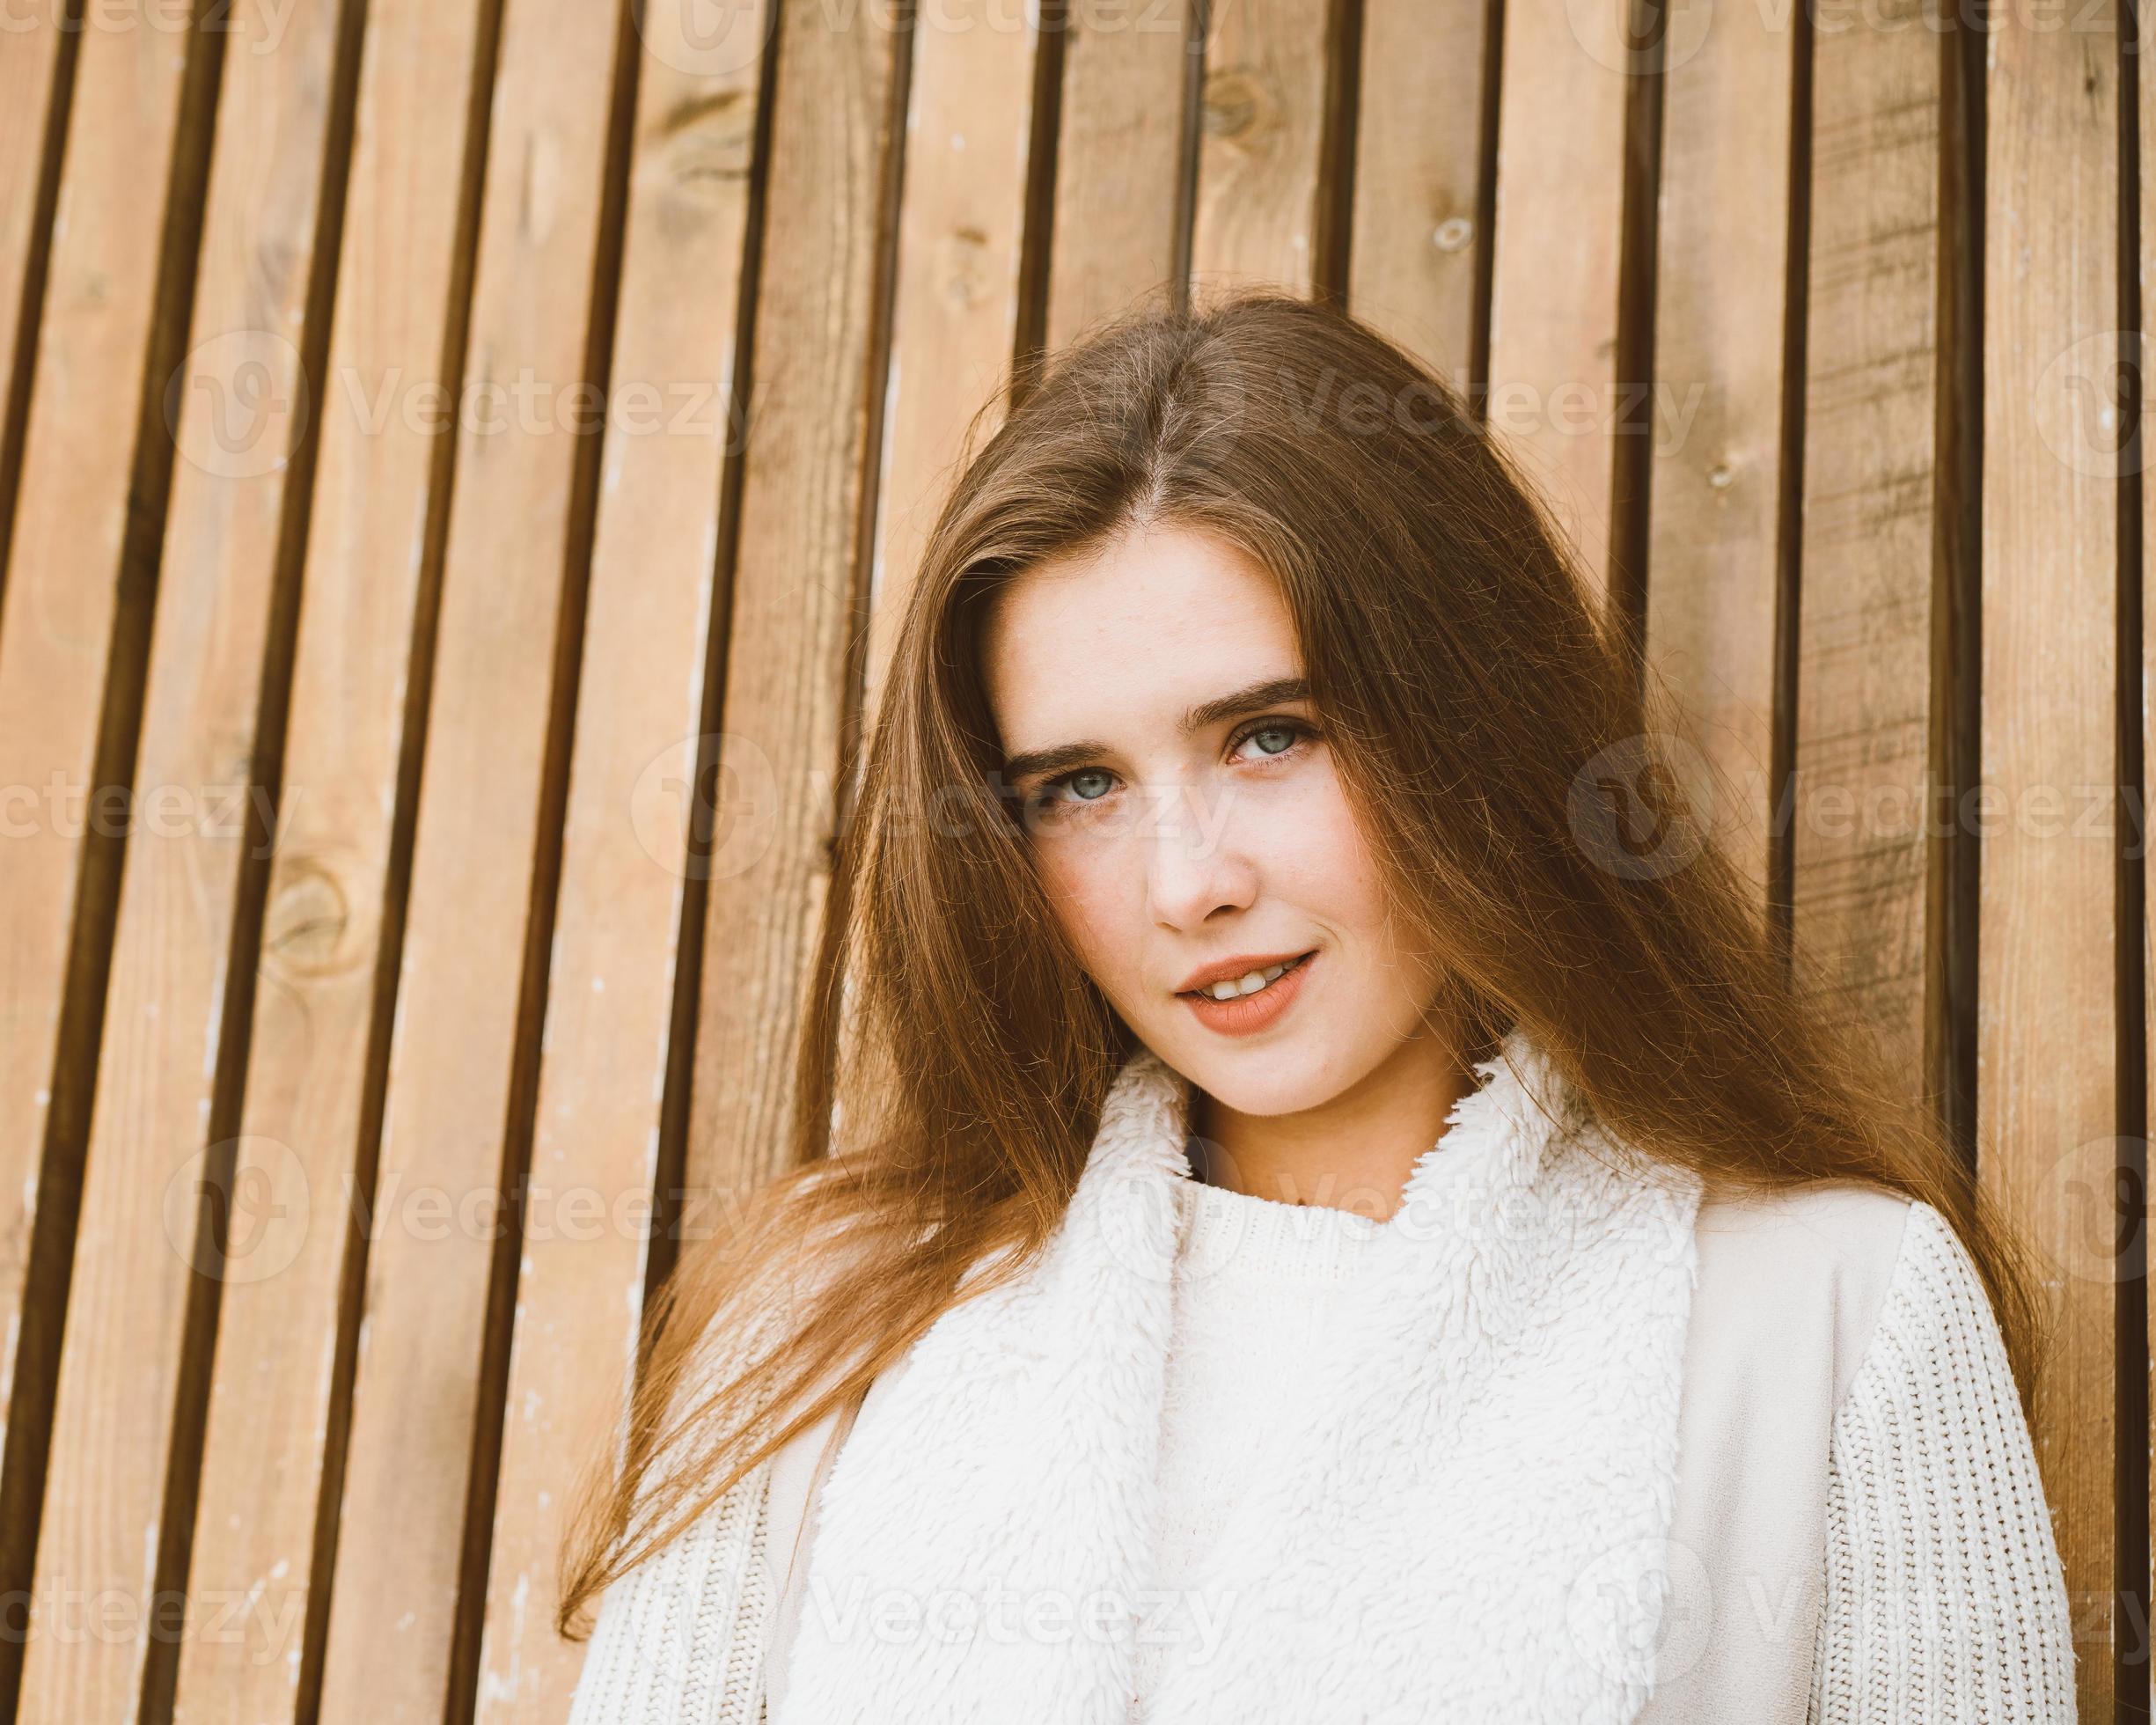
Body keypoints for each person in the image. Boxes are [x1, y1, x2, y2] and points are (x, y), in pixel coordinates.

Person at [556, 290, 2078, 1723]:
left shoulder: (1831, 1308)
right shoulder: (824, 1324)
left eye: (1270, 737)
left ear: (1464, 726)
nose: (1185, 883)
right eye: (1078, 786)